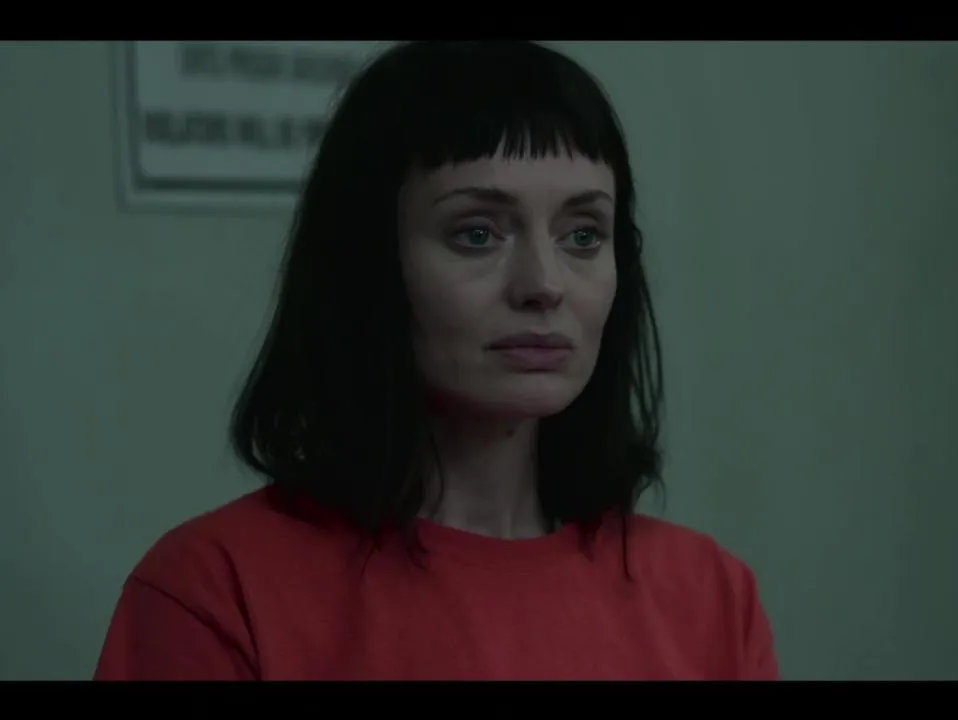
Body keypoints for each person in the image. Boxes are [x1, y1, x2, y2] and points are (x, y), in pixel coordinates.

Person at [94, 40, 779, 681]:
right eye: (477, 233)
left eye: (582, 235)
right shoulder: (216, 590)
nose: (544, 284)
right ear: (369, 263)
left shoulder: (711, 596)